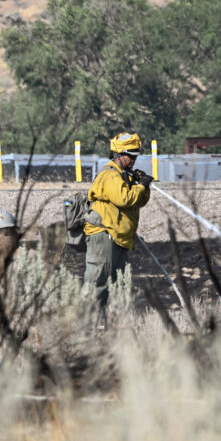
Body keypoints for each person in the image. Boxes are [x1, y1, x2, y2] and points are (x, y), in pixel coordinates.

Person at [83, 132, 152, 310]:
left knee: (113, 285)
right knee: (97, 283)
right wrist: (140, 186)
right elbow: (125, 198)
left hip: (117, 239)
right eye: (131, 156)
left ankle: (102, 321)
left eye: (136, 156)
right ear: (119, 154)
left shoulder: (123, 176)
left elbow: (138, 202)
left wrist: (143, 186)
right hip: (104, 236)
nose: (134, 160)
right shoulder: (110, 175)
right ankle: (84, 321)